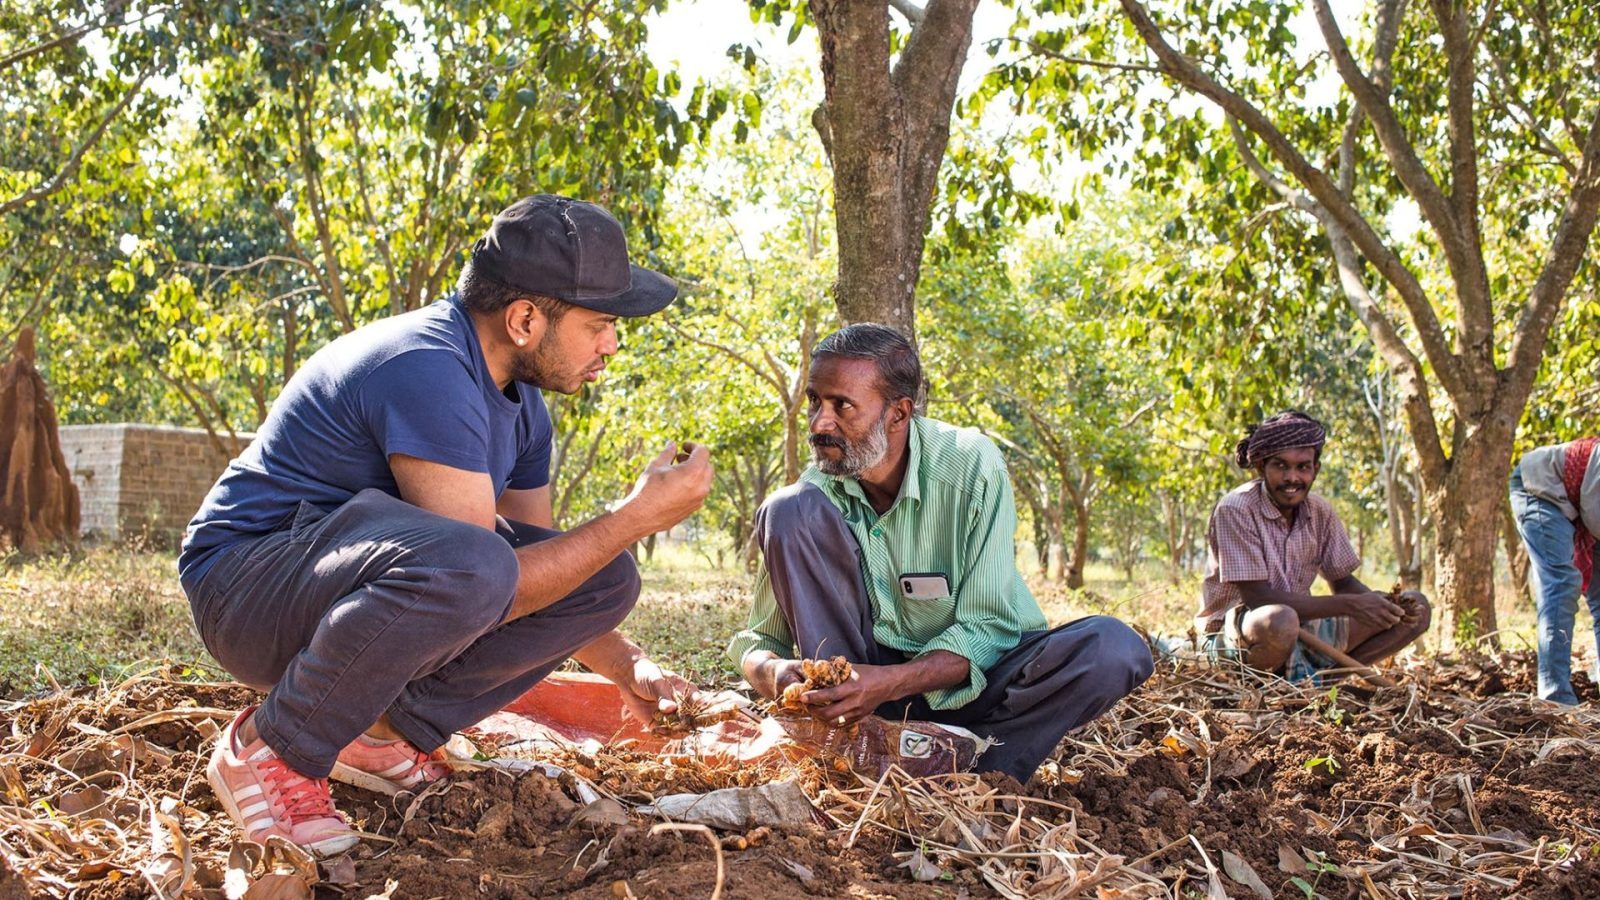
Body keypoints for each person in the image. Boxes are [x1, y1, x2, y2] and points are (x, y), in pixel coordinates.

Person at [178, 195, 714, 856]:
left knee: (604, 580)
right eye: (600, 324)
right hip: (246, 590)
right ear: (524, 319)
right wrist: (632, 518)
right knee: (484, 563)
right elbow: (490, 577)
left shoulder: (523, 407)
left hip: (334, 589)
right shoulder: (426, 366)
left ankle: (378, 736)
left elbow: (541, 580)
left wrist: (626, 665)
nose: (611, 345)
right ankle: (274, 749)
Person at [728, 324, 1153, 784]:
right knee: (787, 508)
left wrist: (887, 681)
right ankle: (861, 744)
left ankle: (984, 766)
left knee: (1114, 648)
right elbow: (759, 641)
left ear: (899, 413)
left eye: (841, 406)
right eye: (815, 401)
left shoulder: (971, 464)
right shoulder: (812, 500)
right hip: (862, 699)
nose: (819, 423)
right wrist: (774, 673)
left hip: (976, 683)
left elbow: (989, 628)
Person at [1198, 410, 1430, 682]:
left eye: (1303, 467)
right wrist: (1354, 606)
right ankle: (1255, 687)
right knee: (1280, 620)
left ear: (1315, 469)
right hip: (1238, 636)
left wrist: (1383, 607)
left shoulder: (1319, 511)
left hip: (1300, 629)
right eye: (1280, 466)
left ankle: (1320, 685)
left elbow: (1343, 583)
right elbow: (1258, 599)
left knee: (1417, 605)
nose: (1292, 478)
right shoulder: (1236, 508)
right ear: (1261, 467)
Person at [1509, 437, 1600, 705]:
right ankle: (1555, 697)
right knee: (1562, 582)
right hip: (1538, 490)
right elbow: (1596, 514)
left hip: (1579, 506)